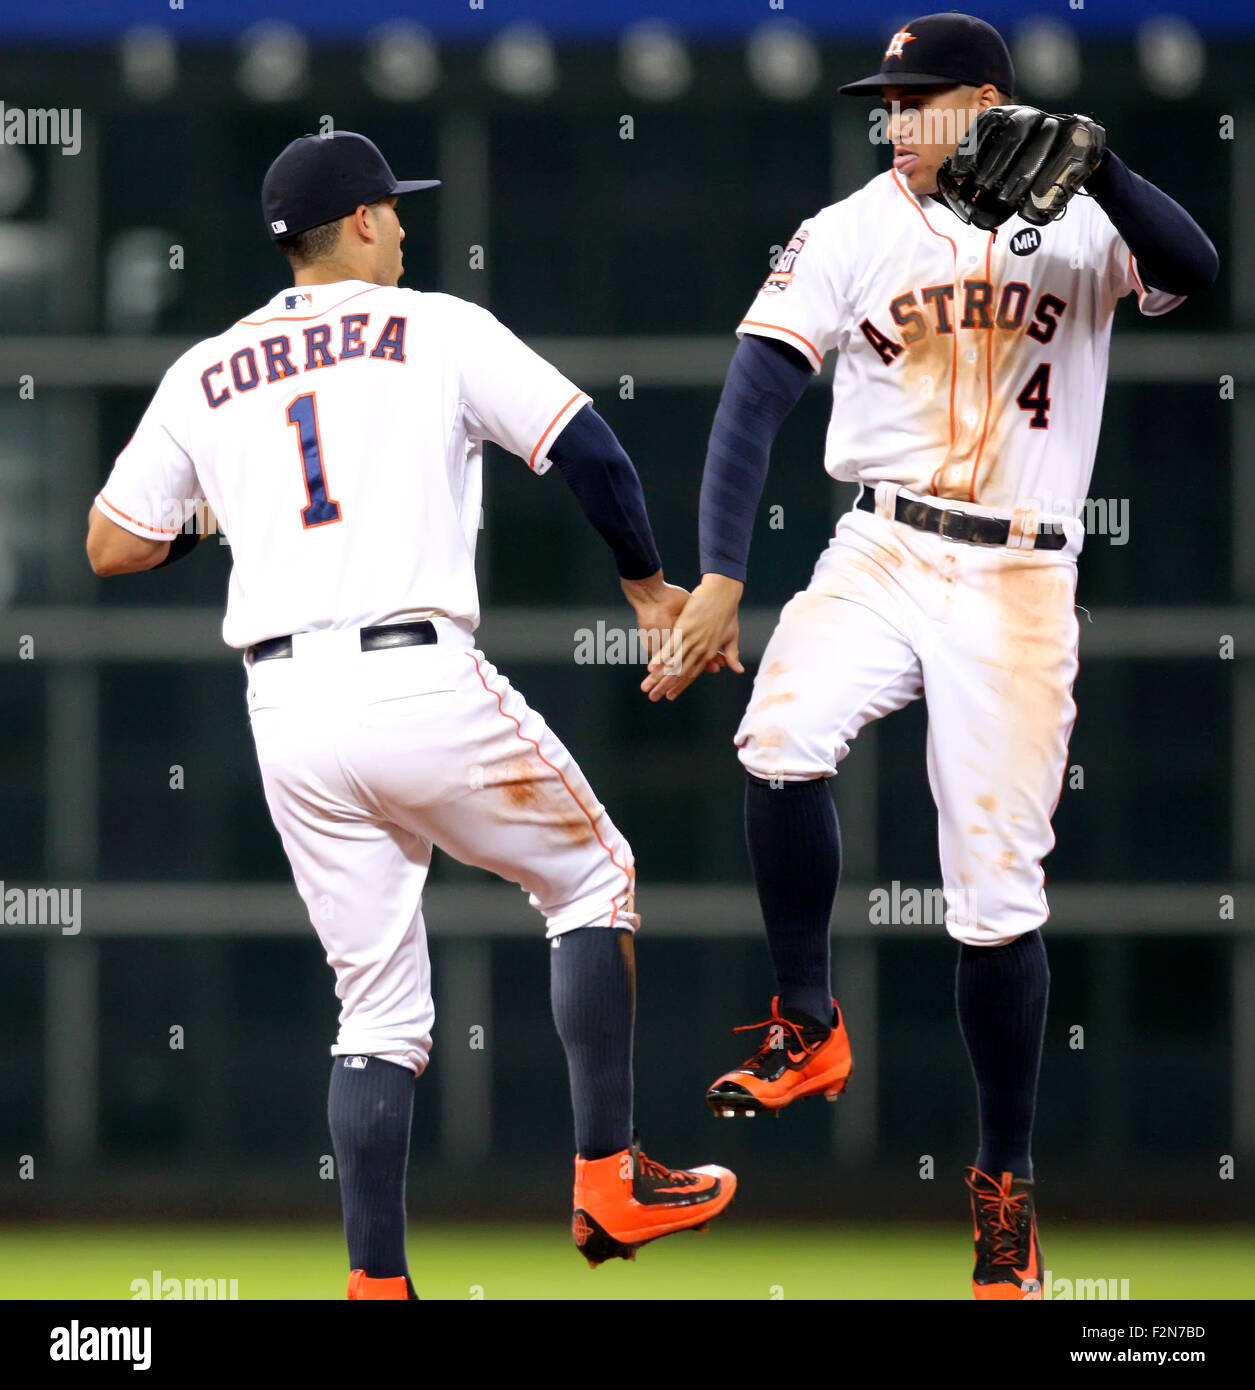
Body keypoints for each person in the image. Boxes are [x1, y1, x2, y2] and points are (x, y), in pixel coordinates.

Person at [87, 129, 735, 1299]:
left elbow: (110, 542)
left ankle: (376, 1284)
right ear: (366, 221)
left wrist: (228, 515)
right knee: (592, 880)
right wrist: (647, 586)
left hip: (283, 706)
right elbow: (588, 448)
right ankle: (606, 1180)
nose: (405, 225)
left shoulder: (206, 369)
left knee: (376, 1011)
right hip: (413, 671)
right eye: (394, 208)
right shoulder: (434, 326)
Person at [643, 12, 1217, 1298]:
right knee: (778, 739)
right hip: (884, 541)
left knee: (995, 894)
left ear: (987, 104)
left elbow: (1202, 266)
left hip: (1021, 568)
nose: (895, 120)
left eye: (919, 99)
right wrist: (724, 571)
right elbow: (753, 395)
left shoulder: (1077, 222)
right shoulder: (848, 229)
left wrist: (1105, 166)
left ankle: (1003, 1186)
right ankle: (809, 1021)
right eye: (886, 101)